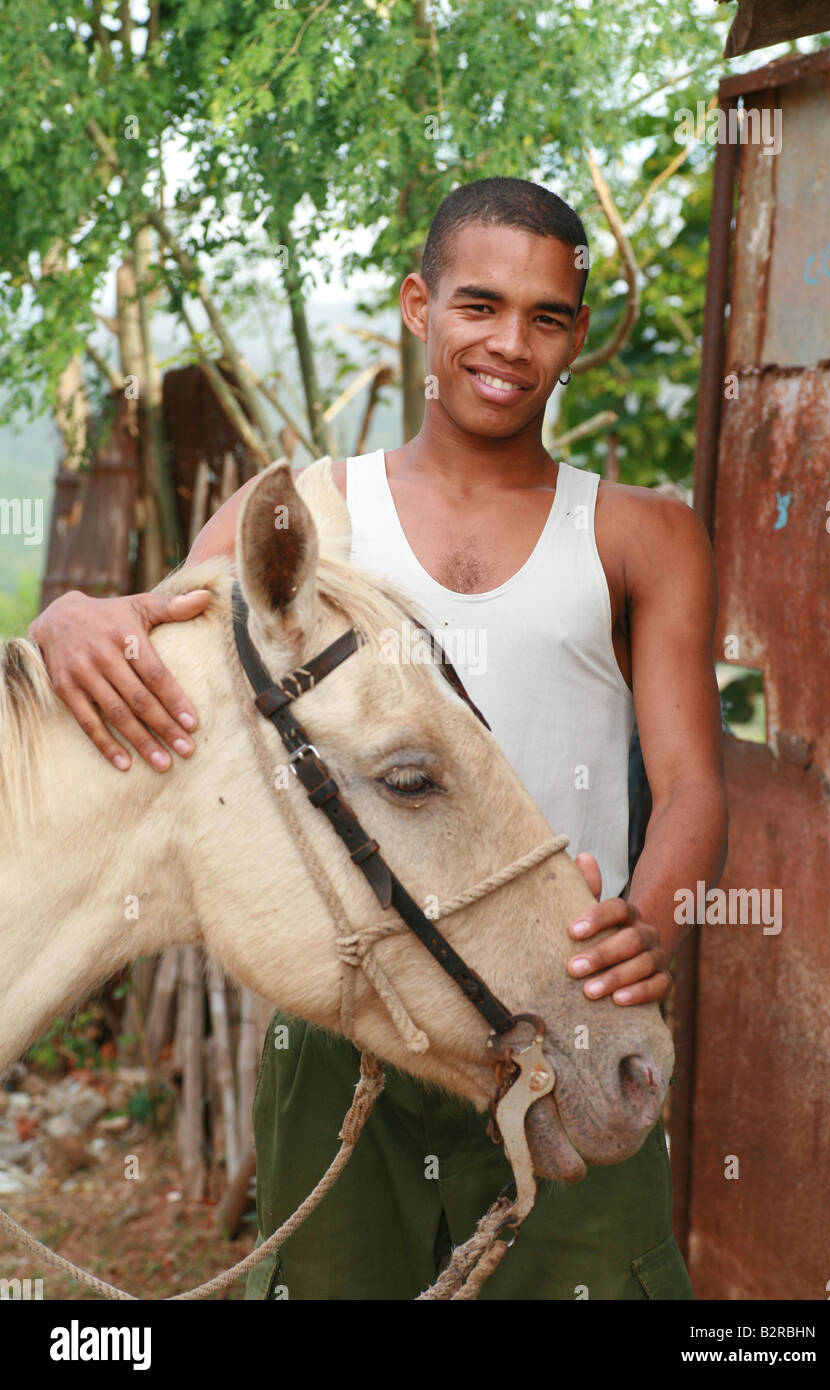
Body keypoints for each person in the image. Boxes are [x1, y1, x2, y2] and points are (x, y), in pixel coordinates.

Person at [30, 177, 727, 1300]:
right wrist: (69, 619)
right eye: (478, 306)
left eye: (545, 317)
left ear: (574, 336)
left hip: (556, 1005)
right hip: (345, 1028)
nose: (509, 343)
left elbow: (692, 785)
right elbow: (152, 665)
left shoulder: (640, 533)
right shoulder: (302, 514)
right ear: (418, 305)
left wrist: (645, 921)